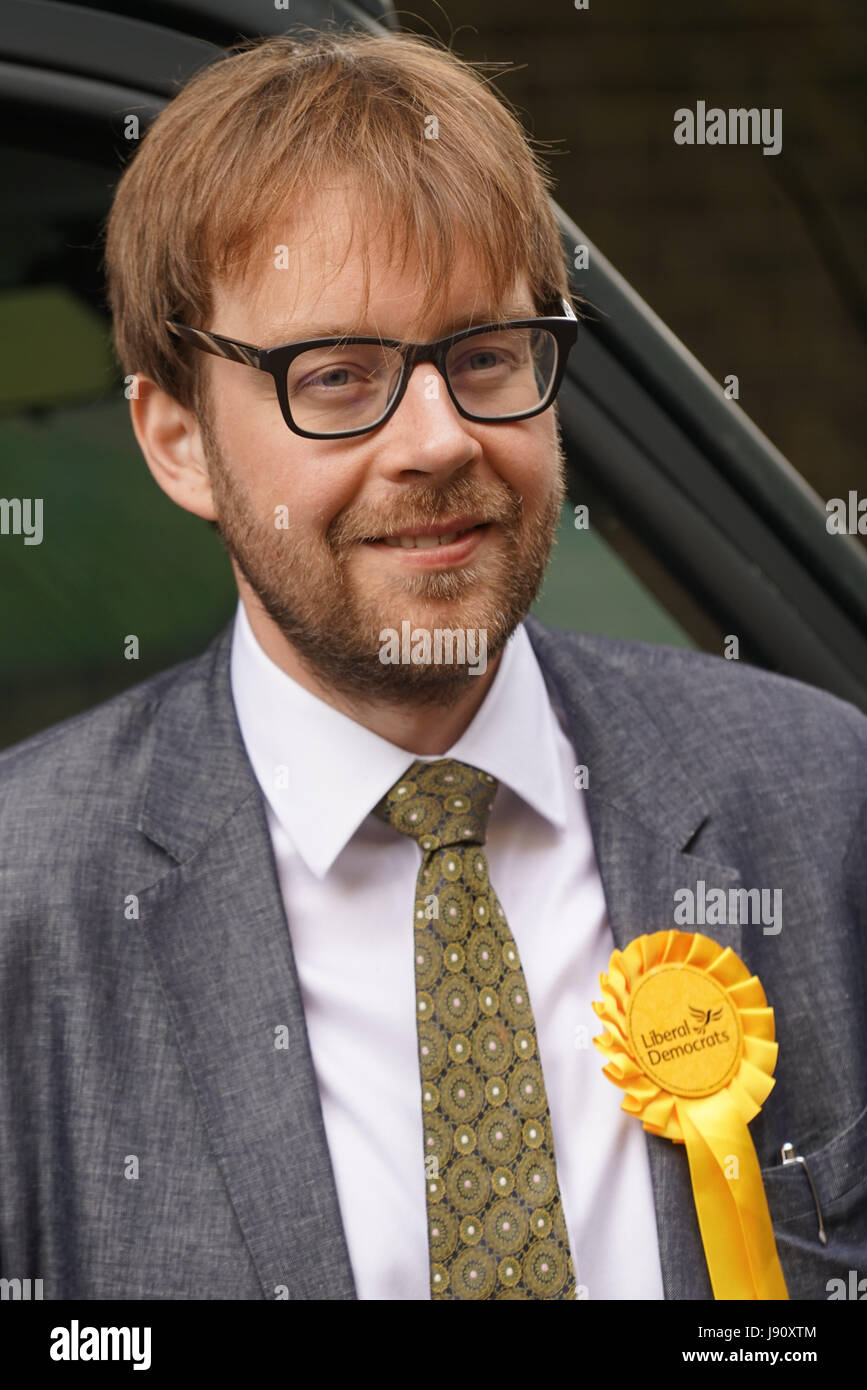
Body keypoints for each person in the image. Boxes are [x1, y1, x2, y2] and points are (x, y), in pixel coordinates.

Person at [0, 28, 864, 1303]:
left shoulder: (823, 798)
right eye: (337, 377)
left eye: (484, 356)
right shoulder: (29, 907)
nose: (439, 440)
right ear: (176, 438)